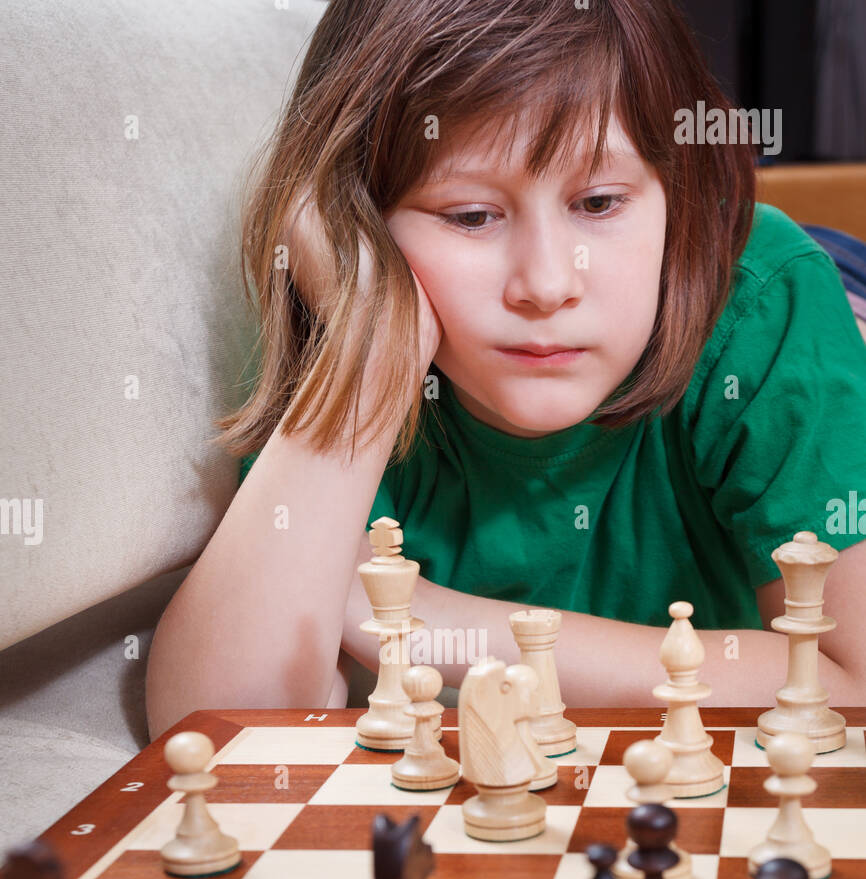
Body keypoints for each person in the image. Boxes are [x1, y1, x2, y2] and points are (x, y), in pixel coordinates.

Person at [145, 0, 866, 739]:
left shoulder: (764, 301)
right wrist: (367, 366)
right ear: (353, 224)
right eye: (470, 216)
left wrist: (429, 624)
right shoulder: (352, 309)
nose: (547, 284)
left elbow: (851, 683)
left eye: (597, 201)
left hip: (797, 281)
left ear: (675, 198)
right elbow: (217, 727)